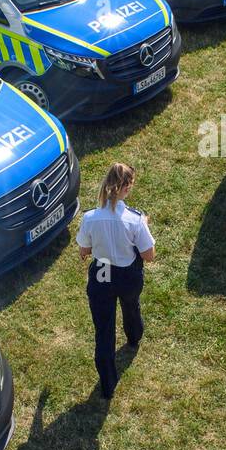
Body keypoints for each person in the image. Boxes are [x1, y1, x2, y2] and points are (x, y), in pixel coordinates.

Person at [77, 163, 156, 400]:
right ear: (126, 187)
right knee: (131, 306)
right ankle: (134, 336)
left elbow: (84, 250)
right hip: (128, 274)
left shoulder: (90, 217)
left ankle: (107, 384)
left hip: (102, 274)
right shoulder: (136, 220)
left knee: (104, 330)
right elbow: (148, 255)